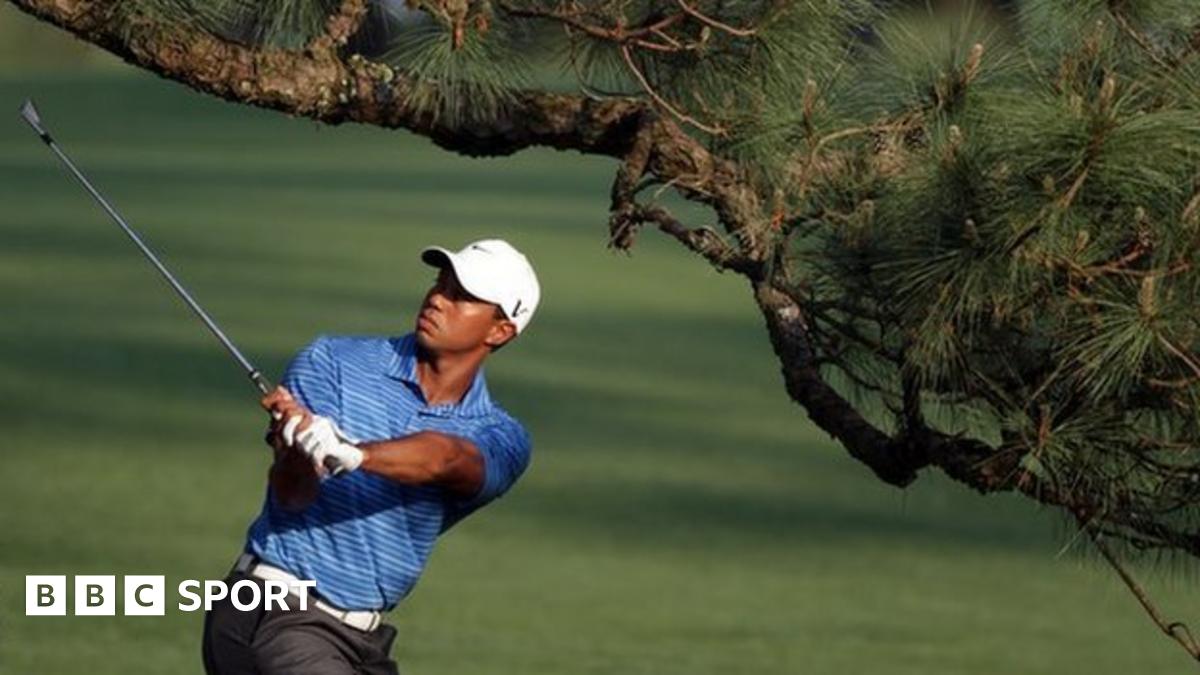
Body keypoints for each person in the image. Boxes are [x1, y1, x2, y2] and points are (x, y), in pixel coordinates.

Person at [202, 238, 540, 675]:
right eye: (440, 283)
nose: (438, 299)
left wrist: (351, 452)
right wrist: (295, 447)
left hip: (361, 638)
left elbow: (447, 459)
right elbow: (292, 495)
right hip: (272, 611)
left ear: (500, 331)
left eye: (461, 296)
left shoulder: (502, 437)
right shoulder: (333, 361)